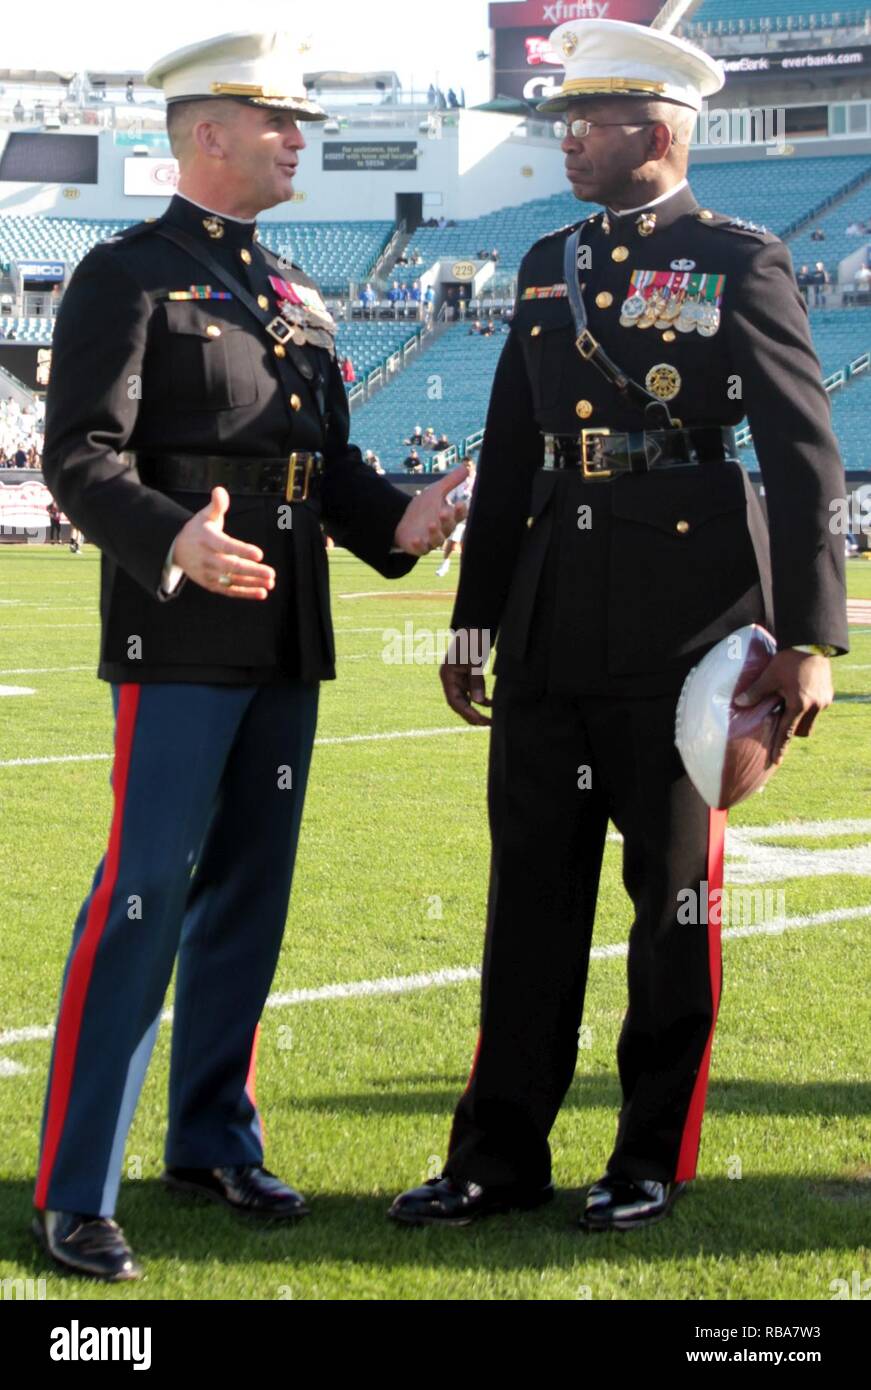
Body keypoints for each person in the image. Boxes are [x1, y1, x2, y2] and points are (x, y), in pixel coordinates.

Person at [390, 17, 848, 1234]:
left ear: (654, 134)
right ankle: (496, 1160)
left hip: (689, 626)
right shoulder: (543, 264)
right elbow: (515, 447)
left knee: (673, 903)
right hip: (548, 619)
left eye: (583, 126)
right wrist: (473, 624)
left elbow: (802, 456)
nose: (566, 143)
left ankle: (650, 1156)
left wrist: (809, 638)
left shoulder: (734, 257)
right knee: (527, 902)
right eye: (561, 123)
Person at [32, 27, 468, 1284]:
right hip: (180, 630)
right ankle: (76, 1183)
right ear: (205, 133)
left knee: (250, 900)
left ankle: (212, 1138)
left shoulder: (294, 293)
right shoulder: (125, 274)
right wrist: (176, 541)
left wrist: (407, 517)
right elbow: (80, 459)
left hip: (285, 634)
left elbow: (323, 468)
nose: (298, 141)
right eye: (277, 122)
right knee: (142, 896)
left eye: (302, 123)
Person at [436, 460, 475, 577]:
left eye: (468, 465)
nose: (466, 468)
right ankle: (445, 563)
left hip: (474, 515)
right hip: (461, 515)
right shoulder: (458, 482)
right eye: (464, 466)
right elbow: (448, 497)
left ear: (473, 466)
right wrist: (452, 505)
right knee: (453, 539)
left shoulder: (478, 480)